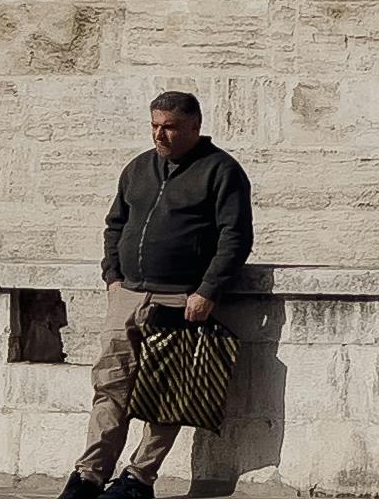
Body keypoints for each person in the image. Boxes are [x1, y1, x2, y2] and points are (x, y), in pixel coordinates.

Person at [64, 91, 254, 499]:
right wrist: (112, 276)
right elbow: (115, 224)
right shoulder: (137, 168)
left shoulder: (221, 171)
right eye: (154, 125)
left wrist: (207, 291)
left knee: (165, 394)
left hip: (180, 300)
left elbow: (235, 237)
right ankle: (90, 474)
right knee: (110, 385)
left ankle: (138, 478)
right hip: (127, 295)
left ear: (194, 127)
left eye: (169, 126)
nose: (159, 135)